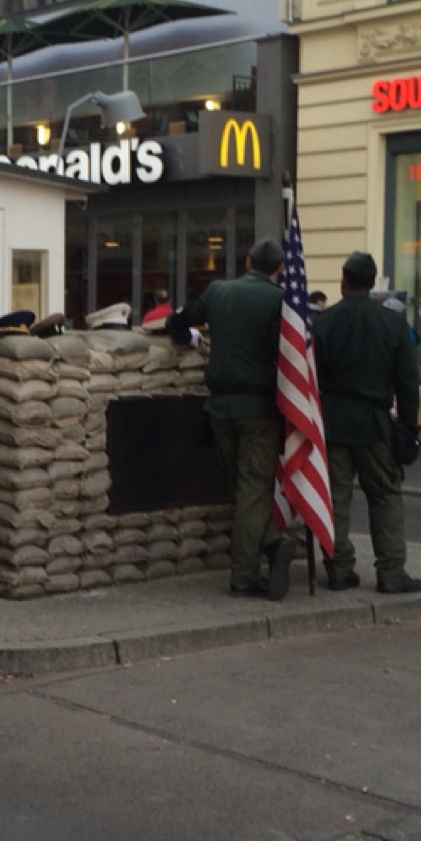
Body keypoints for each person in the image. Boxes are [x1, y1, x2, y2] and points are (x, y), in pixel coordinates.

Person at [166, 239, 291, 601]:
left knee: (241, 486)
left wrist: (184, 335)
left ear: (248, 260)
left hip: (219, 407)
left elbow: (180, 319)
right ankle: (245, 574)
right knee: (253, 488)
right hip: (259, 408)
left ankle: (270, 544)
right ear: (279, 268)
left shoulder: (218, 290)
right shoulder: (279, 300)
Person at [312, 251, 421, 596]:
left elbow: (309, 378)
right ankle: (391, 570)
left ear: (343, 281)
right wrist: (408, 427)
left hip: (332, 421)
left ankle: (338, 568)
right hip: (375, 423)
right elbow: (407, 383)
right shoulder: (391, 324)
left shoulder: (322, 322)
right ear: (373, 283)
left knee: (334, 499)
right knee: (386, 496)